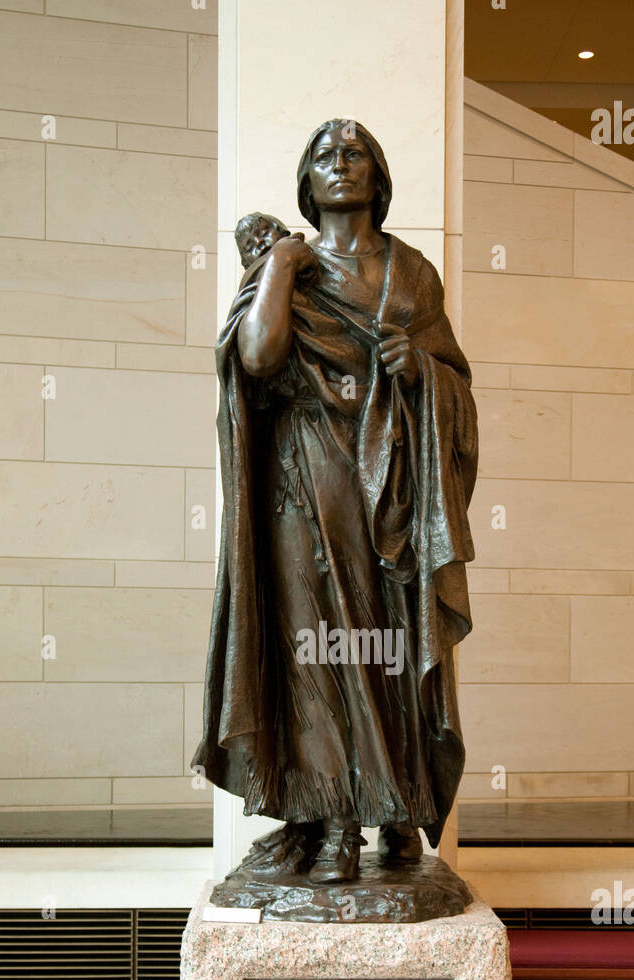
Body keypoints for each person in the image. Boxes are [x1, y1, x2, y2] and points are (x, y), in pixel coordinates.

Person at [194, 118, 478, 885]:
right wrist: (283, 263)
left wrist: (418, 367)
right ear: (306, 180)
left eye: (354, 152)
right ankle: (320, 818)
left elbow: (454, 382)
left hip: (388, 492)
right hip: (302, 482)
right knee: (308, 646)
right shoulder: (287, 262)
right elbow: (256, 356)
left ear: (377, 176)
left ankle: (391, 801)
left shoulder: (411, 273)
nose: (340, 163)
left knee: (384, 649)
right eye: (324, 154)